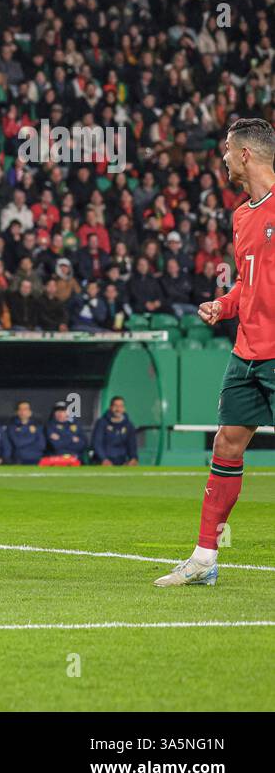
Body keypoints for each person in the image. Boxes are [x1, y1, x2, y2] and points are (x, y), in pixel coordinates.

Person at [159, 119, 275, 586]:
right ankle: (205, 558)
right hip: (247, 352)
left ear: (246, 155)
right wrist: (222, 305)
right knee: (227, 443)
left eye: (227, 150)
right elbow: (248, 284)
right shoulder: (242, 215)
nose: (222, 158)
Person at [92, 396, 139, 466]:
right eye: (115, 406)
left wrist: (133, 458)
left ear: (124, 408)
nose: (118, 409)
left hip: (122, 462)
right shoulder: (102, 423)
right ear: (111, 407)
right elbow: (97, 443)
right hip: (103, 462)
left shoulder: (129, 425)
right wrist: (103, 459)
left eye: (121, 406)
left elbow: (132, 444)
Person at [5, 400, 45, 465]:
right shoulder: (12, 426)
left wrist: (23, 432)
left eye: (25, 409)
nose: (23, 412)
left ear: (30, 412)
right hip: (19, 460)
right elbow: (18, 443)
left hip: (36, 458)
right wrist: (32, 435)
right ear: (17, 412)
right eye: (20, 409)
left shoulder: (37, 426)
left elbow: (41, 445)